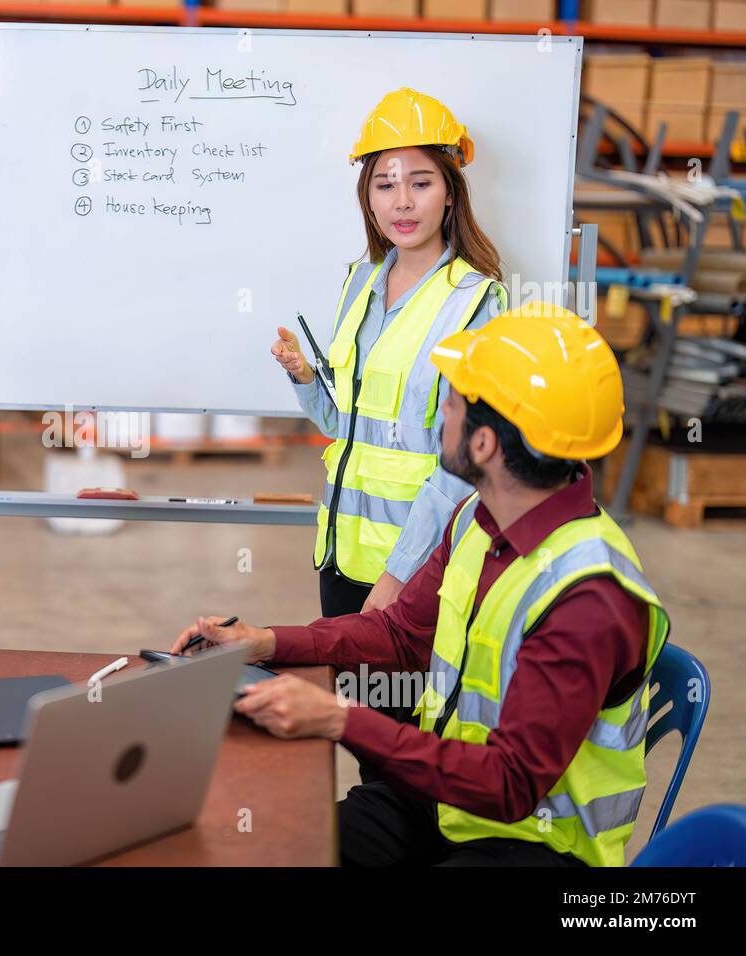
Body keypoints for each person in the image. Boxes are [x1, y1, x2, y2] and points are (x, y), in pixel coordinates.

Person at [179, 304, 670, 867]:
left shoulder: (589, 597)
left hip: (534, 843)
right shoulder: (475, 519)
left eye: (452, 403)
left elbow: (511, 784)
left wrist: (341, 719)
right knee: (285, 848)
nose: (441, 417)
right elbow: (400, 633)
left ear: (484, 444)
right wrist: (265, 641)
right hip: (443, 800)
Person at [271, 87, 506, 618]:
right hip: (340, 556)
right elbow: (344, 425)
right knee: (345, 700)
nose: (402, 201)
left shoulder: (475, 303)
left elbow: (464, 460)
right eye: (385, 185)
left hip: (419, 570)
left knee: (398, 704)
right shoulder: (361, 283)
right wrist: (307, 377)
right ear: (368, 197)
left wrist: (398, 576)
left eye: (420, 183)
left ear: (450, 193)